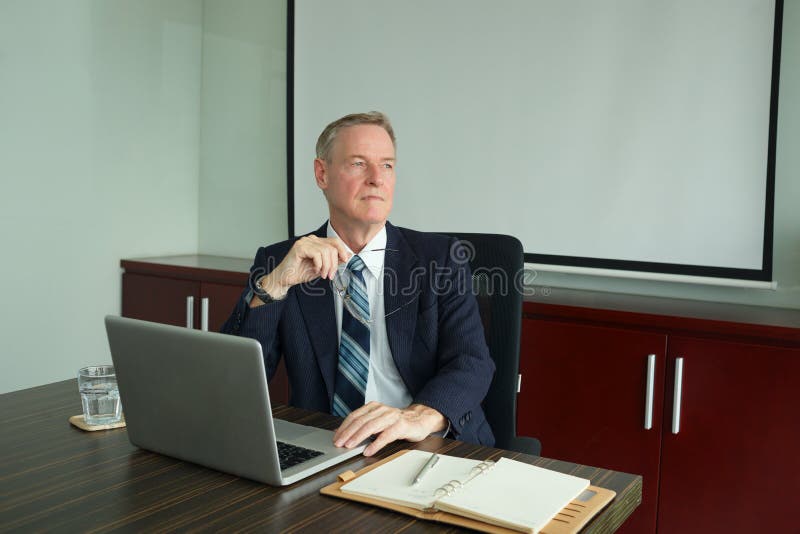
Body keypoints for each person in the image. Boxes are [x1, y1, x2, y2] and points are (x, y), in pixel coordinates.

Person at [221, 111, 495, 456]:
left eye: (387, 166)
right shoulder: (281, 260)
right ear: (322, 174)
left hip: (424, 446)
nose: (376, 179)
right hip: (325, 445)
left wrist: (417, 417)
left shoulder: (439, 258)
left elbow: (472, 362)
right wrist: (276, 283)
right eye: (358, 164)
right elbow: (231, 381)